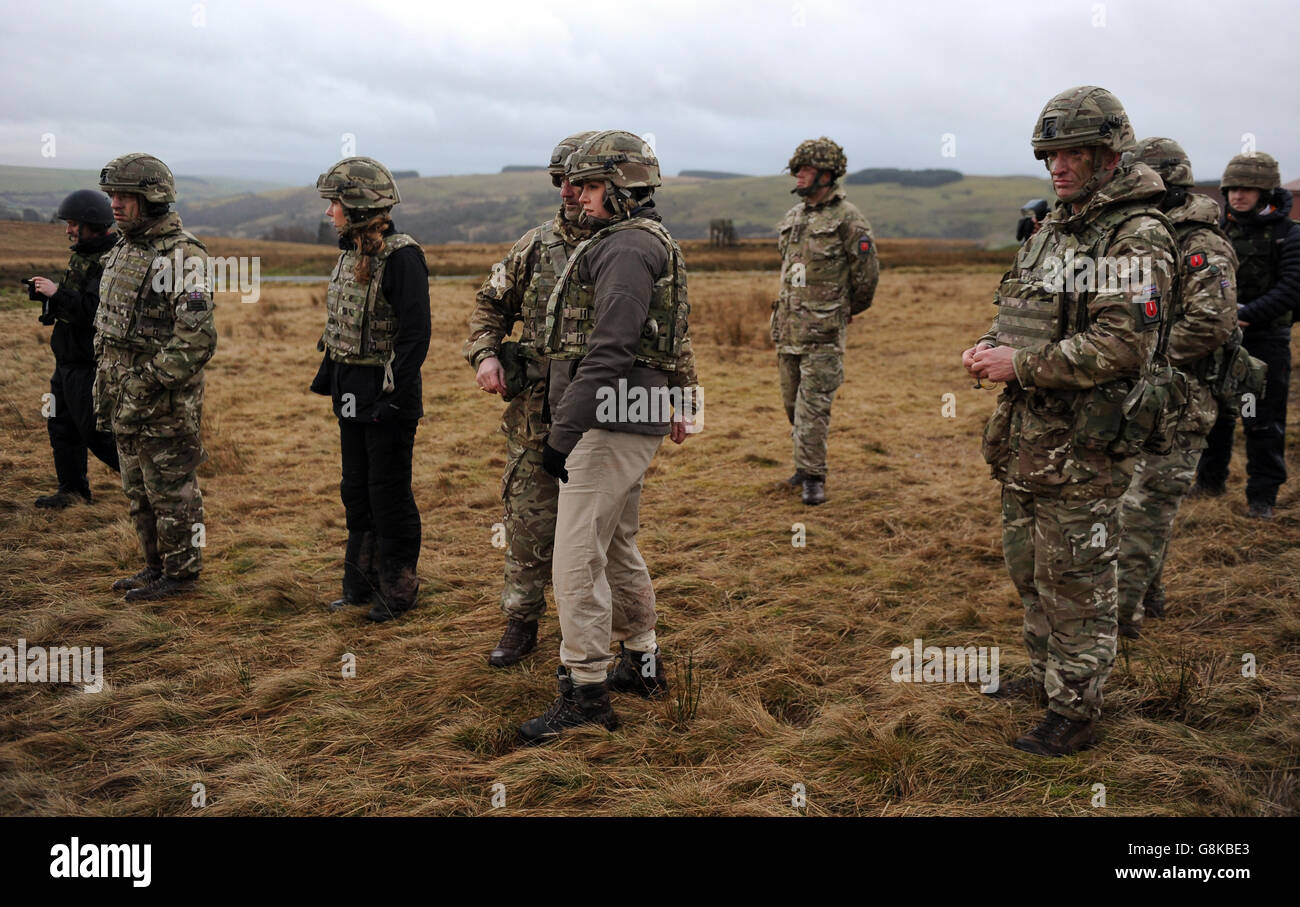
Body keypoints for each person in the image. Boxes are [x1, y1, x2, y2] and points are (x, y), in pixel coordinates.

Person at [963, 87, 1177, 756]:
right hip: (1028, 442)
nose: (1058, 166)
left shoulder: (1136, 236)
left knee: (1077, 580)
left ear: (1109, 154)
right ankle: (1046, 675)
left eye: (1073, 153)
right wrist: (988, 348)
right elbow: (1018, 312)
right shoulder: (1054, 229)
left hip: (1085, 446)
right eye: (1050, 155)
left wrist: (1020, 365)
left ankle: (1075, 710)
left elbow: (1124, 345)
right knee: (1030, 571)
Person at [519, 129, 696, 743]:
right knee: (617, 544)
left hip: (609, 419)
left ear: (622, 187)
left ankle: (586, 691)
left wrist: (561, 435)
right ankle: (642, 662)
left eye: (592, 185)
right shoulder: (640, 239)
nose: (579, 195)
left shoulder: (624, 247)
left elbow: (611, 350)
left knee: (576, 555)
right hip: (628, 413)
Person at [464, 131, 595, 667]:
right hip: (535, 416)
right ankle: (521, 621)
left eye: (578, 181)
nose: (567, 190)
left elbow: (671, 330)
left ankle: (598, 631)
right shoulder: (534, 246)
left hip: (601, 413)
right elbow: (489, 306)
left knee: (599, 529)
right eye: (560, 180)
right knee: (527, 523)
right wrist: (485, 355)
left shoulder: (625, 247)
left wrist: (681, 397)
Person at [1116, 138, 1237, 636]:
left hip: (1182, 402)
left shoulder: (1201, 244)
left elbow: (1211, 323)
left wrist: (1138, 353)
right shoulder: (1148, 233)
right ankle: (1148, 595)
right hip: (1143, 397)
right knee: (1138, 505)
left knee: (1143, 509)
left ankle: (1118, 620)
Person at [312, 157, 430, 623]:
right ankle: (359, 586)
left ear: (359, 207)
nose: (330, 212)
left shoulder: (403, 257)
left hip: (387, 397)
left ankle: (398, 589)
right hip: (350, 391)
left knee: (388, 492)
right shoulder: (350, 253)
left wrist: (392, 398)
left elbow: (415, 336)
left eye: (336, 203)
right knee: (355, 490)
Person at [95, 154, 216, 602]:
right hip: (123, 397)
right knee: (138, 491)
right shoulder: (124, 248)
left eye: (124, 196)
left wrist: (144, 384)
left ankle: (182, 576)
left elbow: (196, 340)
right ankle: (155, 567)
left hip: (163, 402)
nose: (114, 204)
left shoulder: (183, 255)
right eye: (112, 195)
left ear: (152, 198)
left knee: (172, 493)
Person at [1192, 152, 1300, 520]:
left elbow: (1291, 288)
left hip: (1266, 340)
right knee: (1216, 415)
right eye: (1233, 189)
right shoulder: (1219, 231)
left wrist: (1246, 315)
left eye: (1248, 189)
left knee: (1262, 420)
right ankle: (1209, 482)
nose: (1238, 195)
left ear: (1265, 192)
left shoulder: (1289, 234)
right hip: (1221, 338)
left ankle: (1262, 498)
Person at [772, 137, 879, 505]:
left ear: (827, 174)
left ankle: (814, 477)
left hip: (824, 334)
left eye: (806, 169)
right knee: (792, 404)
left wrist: (841, 311)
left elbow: (866, 277)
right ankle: (804, 465)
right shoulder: (794, 217)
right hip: (788, 330)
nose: (798, 176)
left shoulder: (849, 218)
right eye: (797, 170)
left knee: (813, 407)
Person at [29, 189, 121, 508]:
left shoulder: (111, 261)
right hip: (66, 360)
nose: (68, 230)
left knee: (97, 434)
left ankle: (156, 488)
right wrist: (49, 296)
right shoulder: (82, 254)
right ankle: (72, 492)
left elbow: (95, 311)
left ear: (91, 224)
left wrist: (58, 294)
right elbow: (74, 304)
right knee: (60, 425)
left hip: (89, 365)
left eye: (72, 224)